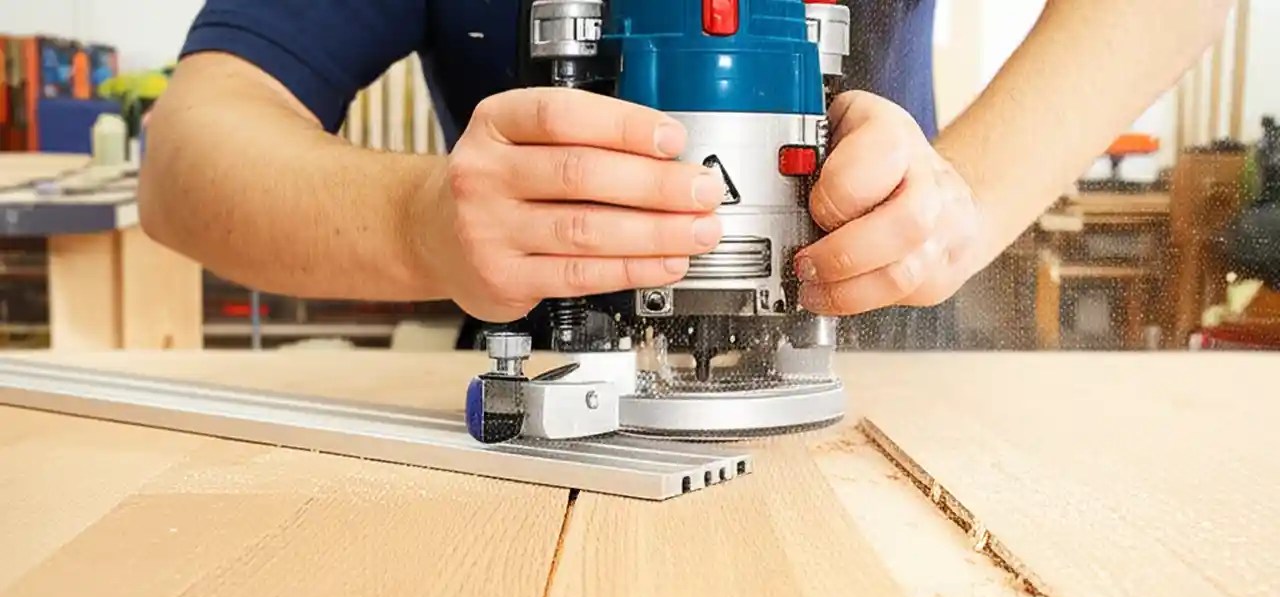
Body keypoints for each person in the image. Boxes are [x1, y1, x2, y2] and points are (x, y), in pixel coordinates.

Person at [139, 0, 1232, 350]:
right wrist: (423, 224)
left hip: (876, 376)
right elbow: (189, 153)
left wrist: (964, 197)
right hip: (547, 390)